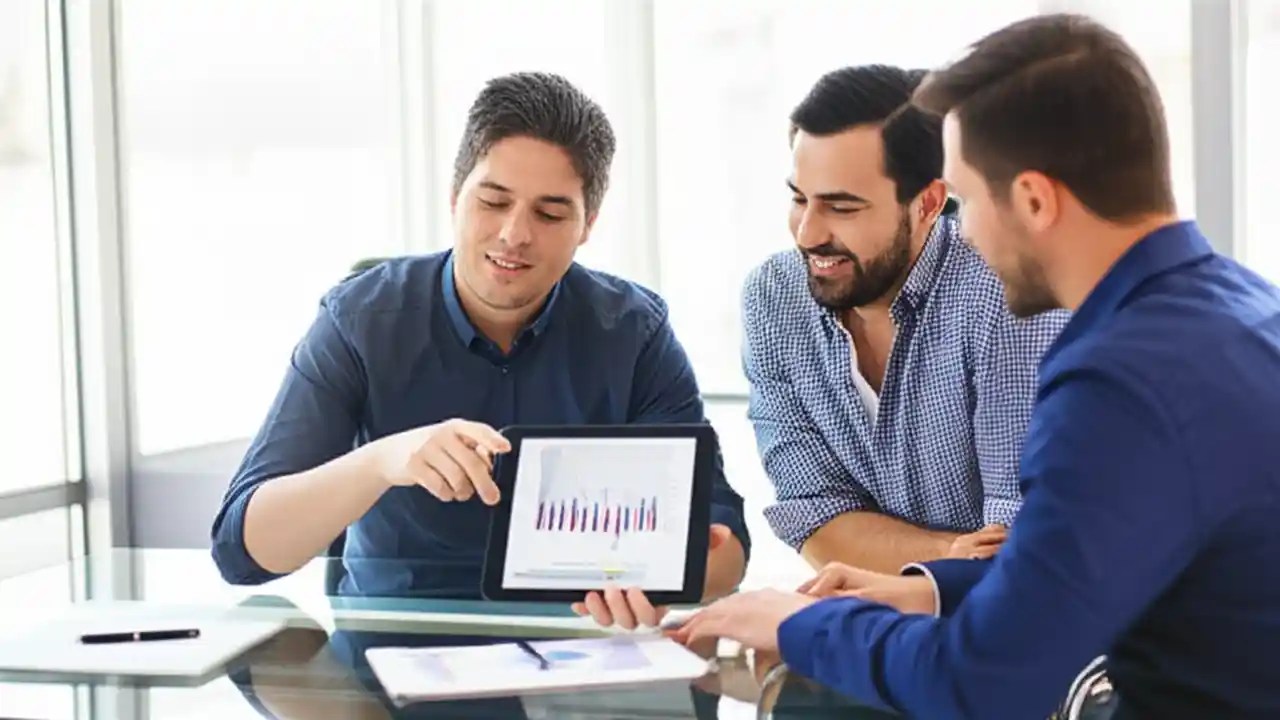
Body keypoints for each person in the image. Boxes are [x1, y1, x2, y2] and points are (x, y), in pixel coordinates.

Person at [673, 14, 1280, 719]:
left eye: (964, 198)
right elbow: (1082, 573)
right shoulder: (1241, 309)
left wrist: (795, 625)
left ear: (1031, 200)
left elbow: (984, 680)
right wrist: (927, 587)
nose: (964, 234)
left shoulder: (1116, 382)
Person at [210, 72, 750, 629]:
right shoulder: (359, 321)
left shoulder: (634, 331)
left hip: (573, 656)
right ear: (454, 198)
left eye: (549, 214)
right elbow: (242, 552)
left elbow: (724, 548)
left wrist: (669, 578)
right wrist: (383, 461)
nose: (514, 234)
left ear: (587, 224)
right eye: (493, 202)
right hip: (393, 652)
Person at [743, 65, 1066, 573]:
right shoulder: (775, 298)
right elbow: (812, 516)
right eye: (799, 198)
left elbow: (1018, 548)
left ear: (928, 204)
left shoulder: (1006, 297)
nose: (807, 233)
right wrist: (947, 552)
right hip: (883, 620)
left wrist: (887, 553)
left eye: (842, 207)